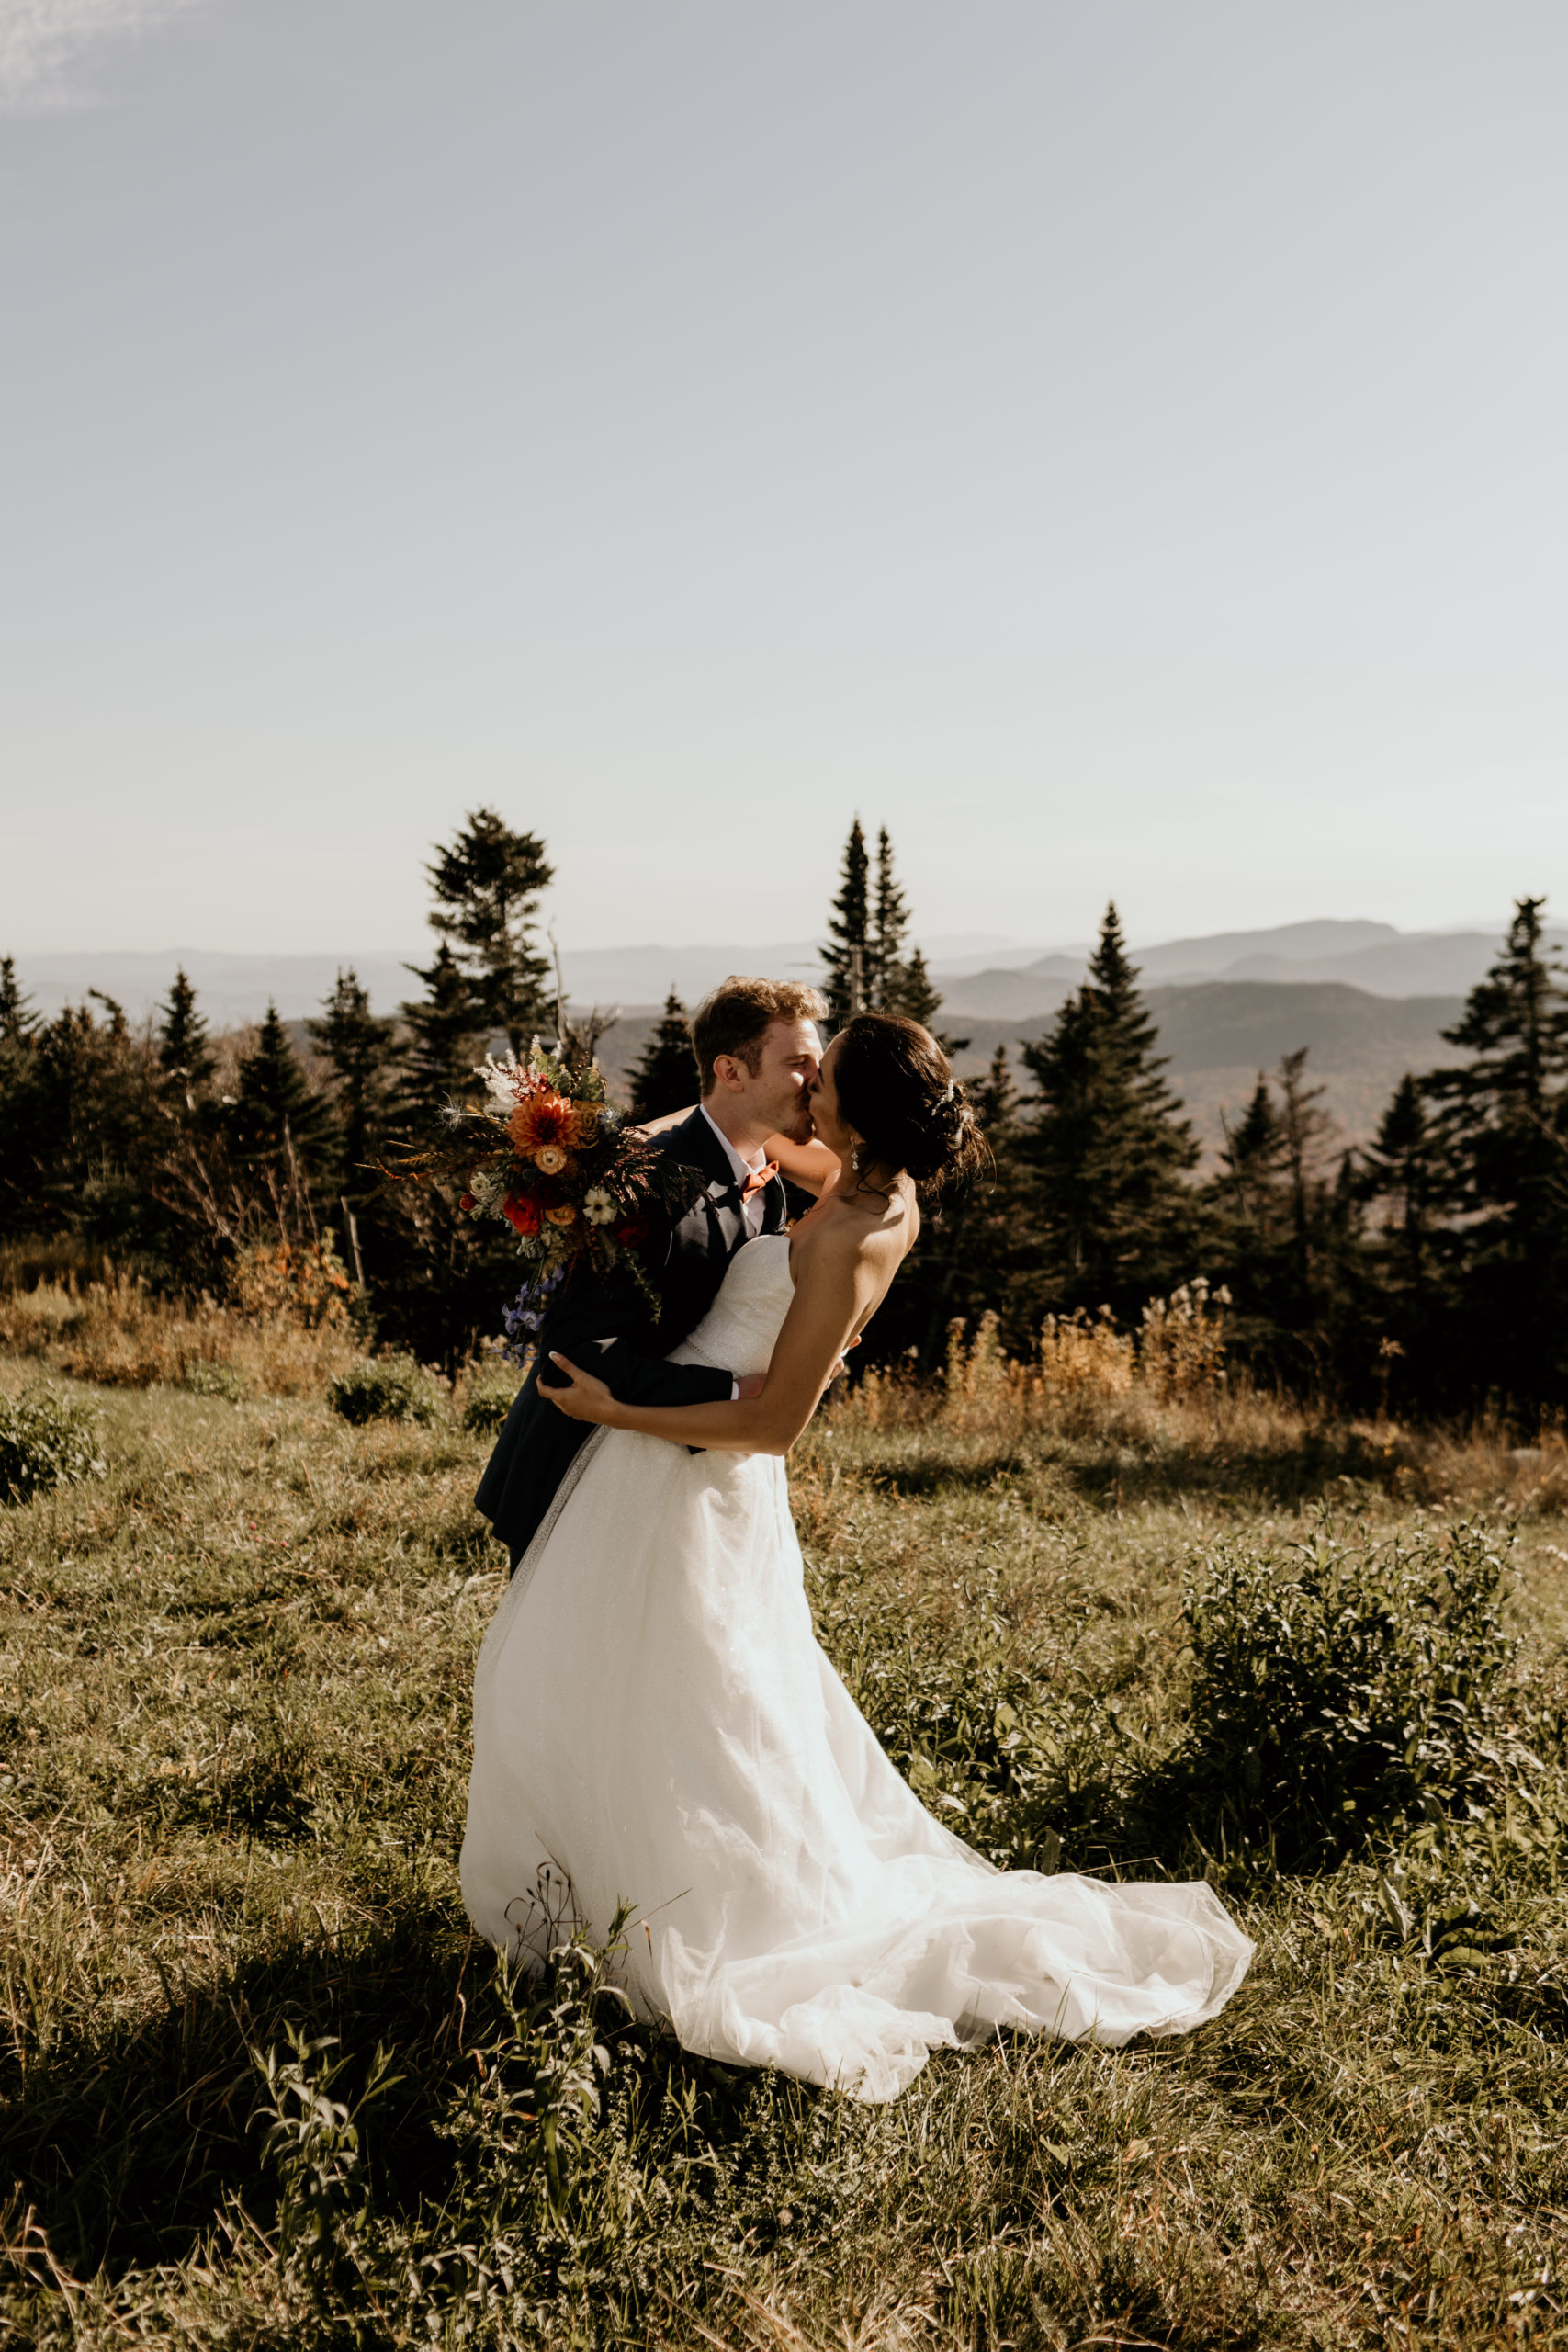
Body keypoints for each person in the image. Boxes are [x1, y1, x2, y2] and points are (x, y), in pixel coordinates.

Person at [460, 1012, 1253, 2102]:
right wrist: (575, 1149)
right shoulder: (855, 1173)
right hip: (668, 1462)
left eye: (819, 1076)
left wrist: (616, 1404)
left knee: (689, 1702)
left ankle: (685, 1902)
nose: (805, 1089)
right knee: (647, 1685)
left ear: (856, 1108)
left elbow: (782, 1417)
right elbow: (728, 1143)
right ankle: (603, 1878)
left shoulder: (850, 1231)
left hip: (697, 1467)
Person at [473, 976, 825, 1570]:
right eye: (797, 1064)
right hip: (578, 1477)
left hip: (675, 1476)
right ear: (731, 1072)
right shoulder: (644, 1183)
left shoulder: (770, 1192)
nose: (814, 1082)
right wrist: (734, 1394)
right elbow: (574, 1352)